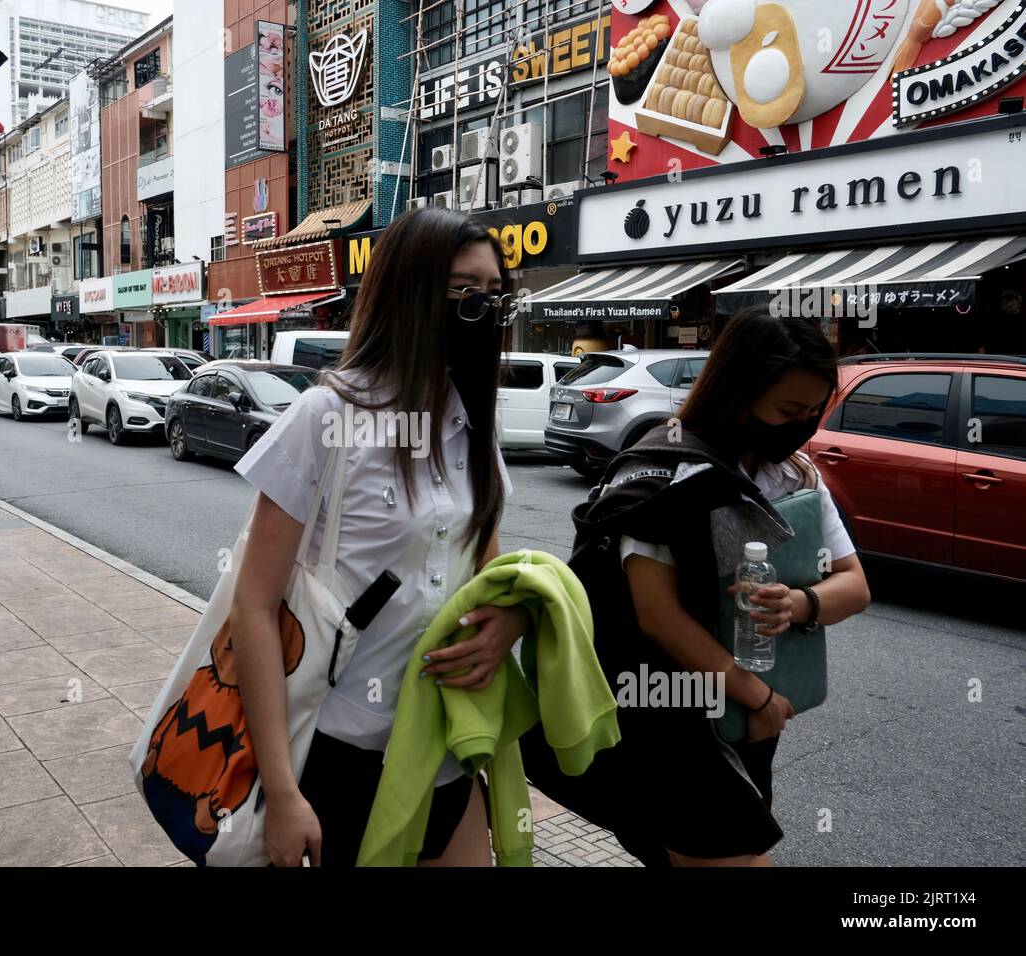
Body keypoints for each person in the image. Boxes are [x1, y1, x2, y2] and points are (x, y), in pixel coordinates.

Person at [229, 207, 529, 867]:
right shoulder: (327, 415)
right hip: (339, 758)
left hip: (444, 748)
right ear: (410, 291)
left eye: (492, 292)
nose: (480, 307)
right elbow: (253, 606)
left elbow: (487, 560)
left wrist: (507, 616)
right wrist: (281, 792)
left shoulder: (469, 420)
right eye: (461, 290)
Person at [523, 307, 871, 867]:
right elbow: (656, 616)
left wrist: (801, 603)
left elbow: (855, 586)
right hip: (667, 717)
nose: (802, 424)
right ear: (739, 392)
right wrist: (755, 696)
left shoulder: (796, 475)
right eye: (788, 410)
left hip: (749, 712)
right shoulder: (666, 469)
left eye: (814, 411)